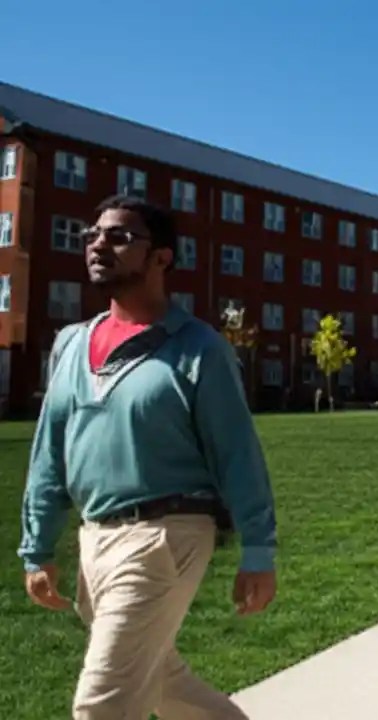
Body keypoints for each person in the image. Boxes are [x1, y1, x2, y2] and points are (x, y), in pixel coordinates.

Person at [18, 195, 277, 719]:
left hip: (166, 534)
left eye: (118, 237)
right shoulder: (71, 344)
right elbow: (50, 452)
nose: (97, 245)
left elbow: (237, 454)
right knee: (160, 680)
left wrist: (258, 550)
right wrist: (37, 545)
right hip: (95, 536)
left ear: (161, 257)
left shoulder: (198, 349)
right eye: (92, 235)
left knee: (101, 704)